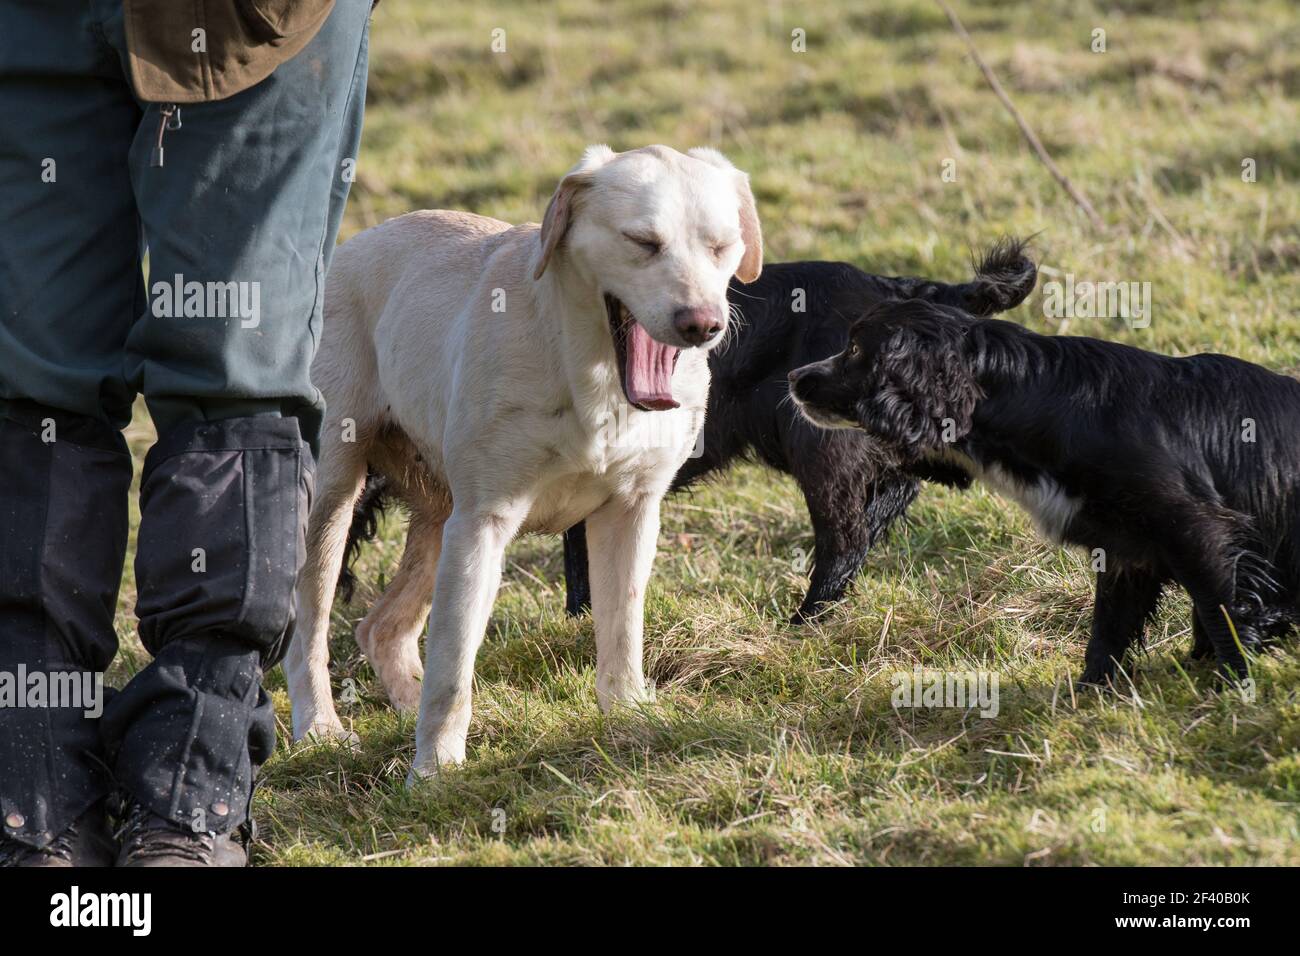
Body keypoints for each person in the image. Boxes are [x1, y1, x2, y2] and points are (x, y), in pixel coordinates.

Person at [0, 0, 372, 866]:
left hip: (254, 19)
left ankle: (188, 789)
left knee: (232, 373)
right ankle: (31, 787)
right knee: (25, 383)